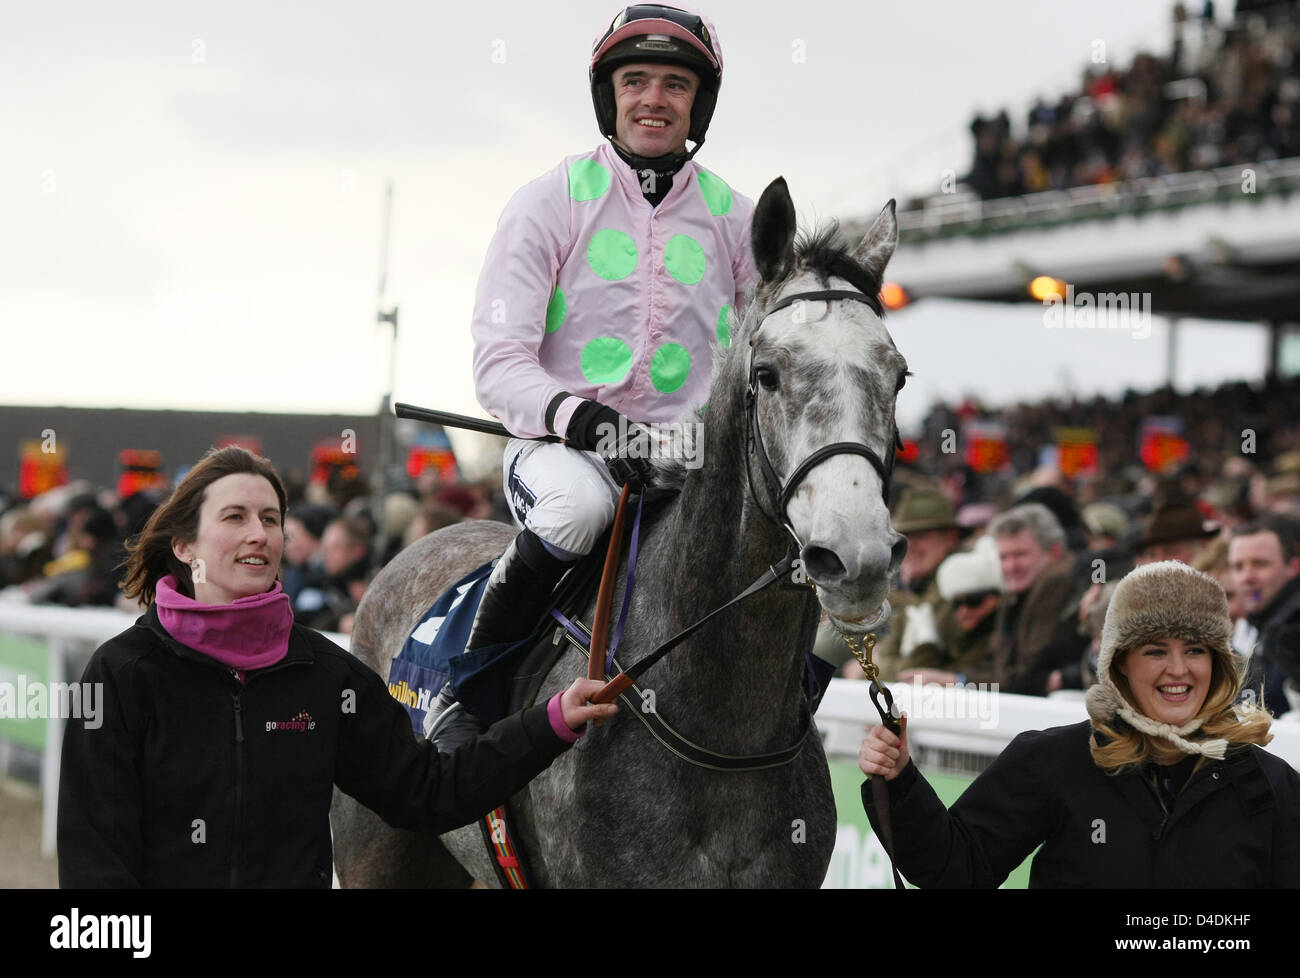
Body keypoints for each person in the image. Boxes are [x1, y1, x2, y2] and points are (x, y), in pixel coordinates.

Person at [57, 447, 615, 888]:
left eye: (271, 519)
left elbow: (429, 793)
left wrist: (550, 722)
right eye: (235, 517)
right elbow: (94, 865)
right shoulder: (122, 673)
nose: (260, 533)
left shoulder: (324, 675)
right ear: (183, 544)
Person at [432, 5, 755, 737]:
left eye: (675, 84)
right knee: (579, 510)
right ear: (607, 94)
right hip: (563, 452)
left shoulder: (736, 218)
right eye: (634, 79)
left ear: (697, 102)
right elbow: (499, 362)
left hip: (689, 461)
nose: (653, 99)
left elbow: (763, 351)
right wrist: (589, 420)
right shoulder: (548, 201)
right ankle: (470, 692)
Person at [858, 561, 1300, 888]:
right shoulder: (1053, 760)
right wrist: (900, 784)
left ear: (1218, 662)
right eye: (1155, 651)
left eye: (1196, 650)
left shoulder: (1268, 785)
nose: (1178, 670)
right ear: (1120, 662)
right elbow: (957, 868)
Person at [1229, 514, 1300, 716]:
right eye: (1238, 567)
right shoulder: (1258, 625)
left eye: (1260, 564)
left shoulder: (1292, 631)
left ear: (1293, 568)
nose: (1247, 577)